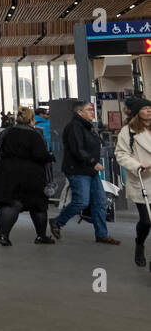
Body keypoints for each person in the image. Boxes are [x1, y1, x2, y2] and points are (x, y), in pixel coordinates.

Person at [0, 106, 54, 246]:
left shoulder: (7, 132)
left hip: (8, 174)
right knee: (38, 206)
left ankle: (4, 236)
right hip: (31, 175)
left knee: (11, 204)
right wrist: (49, 157)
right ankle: (41, 236)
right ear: (31, 119)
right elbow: (40, 155)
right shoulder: (34, 135)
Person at [50, 102, 114, 244]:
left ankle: (102, 234)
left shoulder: (87, 127)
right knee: (81, 201)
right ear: (80, 112)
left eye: (93, 109)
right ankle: (57, 221)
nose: (93, 112)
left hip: (89, 170)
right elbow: (77, 149)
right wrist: (93, 161)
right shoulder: (74, 127)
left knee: (100, 202)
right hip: (78, 170)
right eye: (89, 109)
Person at [115, 97, 151, 268]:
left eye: (150, 108)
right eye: (144, 108)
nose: (149, 110)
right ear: (137, 112)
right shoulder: (128, 131)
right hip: (142, 181)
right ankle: (139, 244)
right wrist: (138, 166)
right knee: (146, 221)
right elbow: (121, 154)